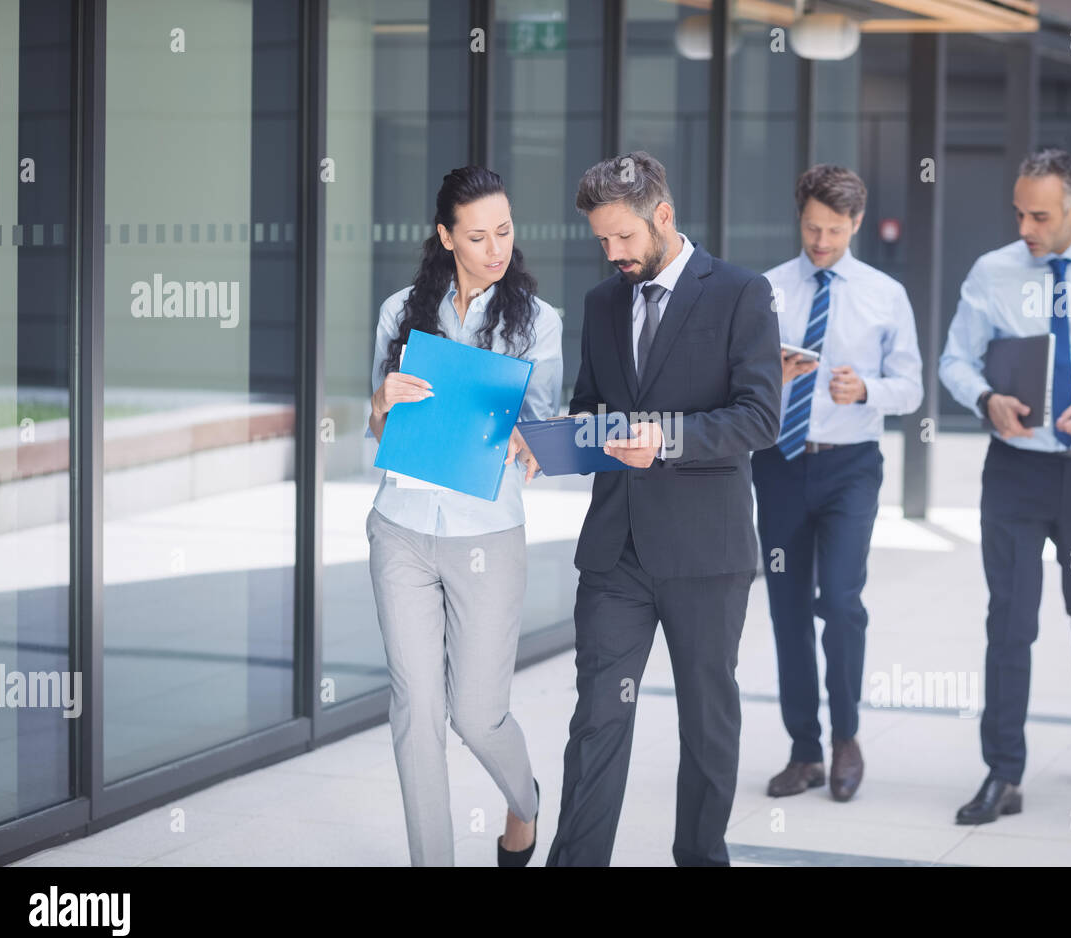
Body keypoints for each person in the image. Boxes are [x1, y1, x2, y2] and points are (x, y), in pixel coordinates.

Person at [544, 150, 782, 866]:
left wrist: (669, 439)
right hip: (616, 550)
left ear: (664, 217)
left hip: (705, 553)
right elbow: (591, 404)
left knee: (707, 723)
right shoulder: (601, 302)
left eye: (623, 237)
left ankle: (700, 858)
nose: (613, 253)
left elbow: (759, 418)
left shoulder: (741, 293)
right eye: (602, 240)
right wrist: (560, 441)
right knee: (597, 719)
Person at [938, 147, 1071, 824]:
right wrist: (985, 399)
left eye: (1040, 215)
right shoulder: (992, 272)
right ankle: (1003, 772)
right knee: (1008, 621)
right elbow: (954, 360)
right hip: (1015, 468)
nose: (1025, 227)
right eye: (1019, 213)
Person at [365, 165, 562, 866]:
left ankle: (525, 802)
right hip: (401, 531)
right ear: (446, 236)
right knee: (416, 713)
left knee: (476, 715)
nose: (495, 247)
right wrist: (382, 402)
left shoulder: (539, 324)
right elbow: (376, 432)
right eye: (477, 236)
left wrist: (525, 440)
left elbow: (547, 437)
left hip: (487, 538)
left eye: (504, 231)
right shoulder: (400, 314)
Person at [755, 165, 922, 802]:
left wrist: (867, 389)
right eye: (810, 227)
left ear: (856, 222)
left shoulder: (885, 294)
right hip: (778, 463)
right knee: (787, 608)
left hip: (850, 462)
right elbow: (735, 380)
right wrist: (771, 376)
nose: (820, 241)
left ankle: (847, 736)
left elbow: (911, 388)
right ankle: (805, 750)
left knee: (843, 602)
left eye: (833, 229)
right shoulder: (766, 290)